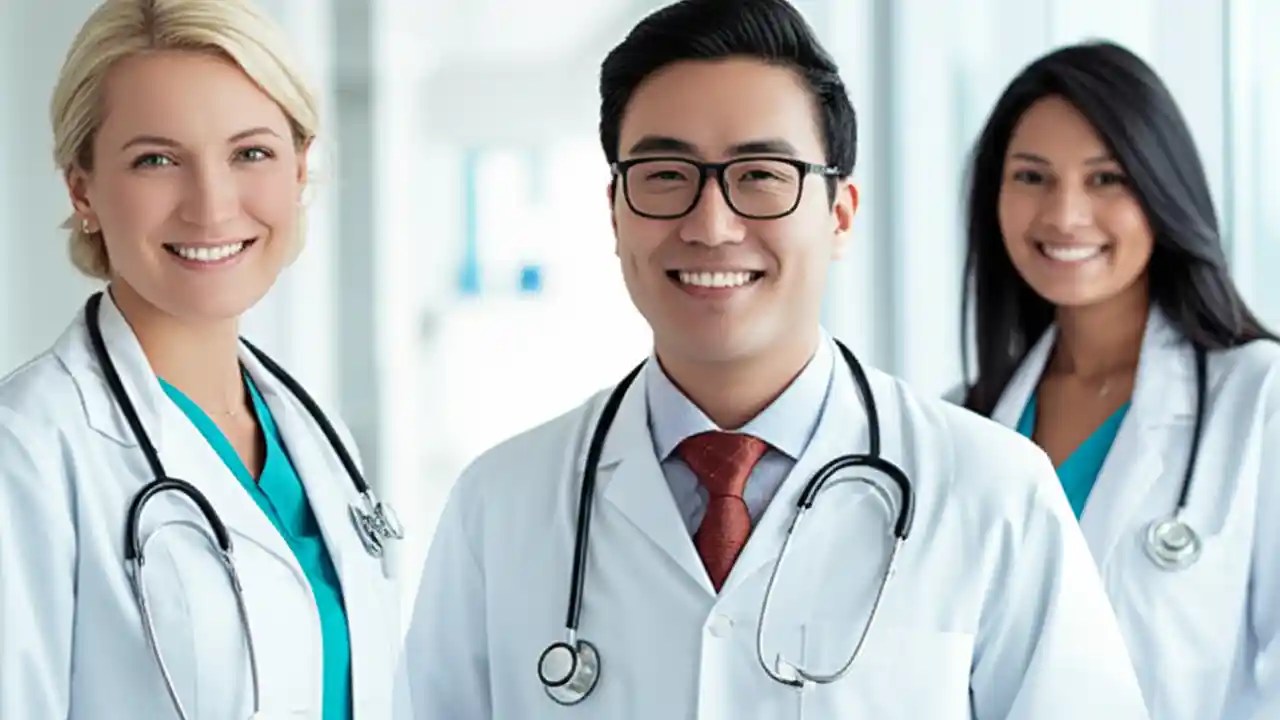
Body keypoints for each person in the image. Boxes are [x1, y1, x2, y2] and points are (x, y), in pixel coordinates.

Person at [402, 2, 1149, 718]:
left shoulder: (994, 492)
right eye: (666, 175)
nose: (711, 224)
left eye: (761, 175)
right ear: (615, 212)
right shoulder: (500, 505)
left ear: (840, 216)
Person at [0, 1, 410, 718]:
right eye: (156, 160)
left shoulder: (315, 438)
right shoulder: (28, 449)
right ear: (82, 189)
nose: (212, 206)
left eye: (250, 153)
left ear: (299, 169)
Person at [956, 41, 1280, 720]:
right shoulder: (960, 422)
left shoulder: (1260, 398)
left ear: (1162, 191)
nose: (1064, 215)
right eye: (1032, 176)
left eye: (1106, 178)